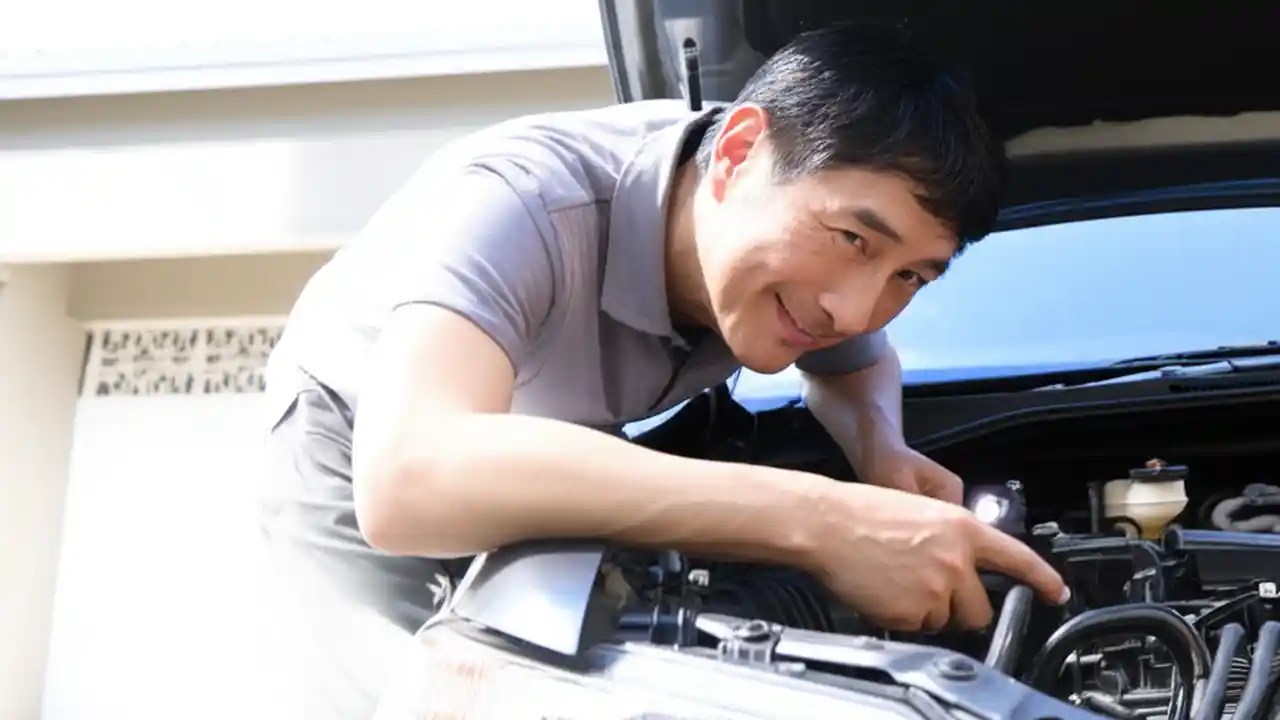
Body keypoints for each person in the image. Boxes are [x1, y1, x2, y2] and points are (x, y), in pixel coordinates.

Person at [259, 22, 1068, 719]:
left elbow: (854, 361)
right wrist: (826, 519)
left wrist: (878, 450)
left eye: (909, 278)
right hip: (356, 454)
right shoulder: (523, 204)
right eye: (854, 240)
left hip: (537, 436)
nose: (852, 309)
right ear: (740, 151)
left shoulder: (787, 260)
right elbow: (410, 480)